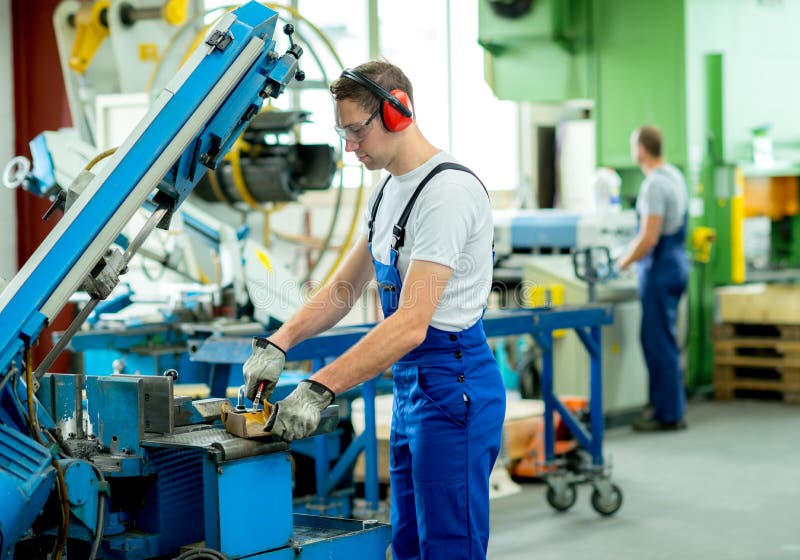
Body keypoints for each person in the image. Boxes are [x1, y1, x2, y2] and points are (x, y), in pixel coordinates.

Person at [242, 60, 506, 559]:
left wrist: (319, 387)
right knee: (408, 542)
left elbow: (409, 325)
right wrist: (279, 341)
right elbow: (345, 286)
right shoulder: (386, 187)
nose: (349, 146)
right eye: (341, 133)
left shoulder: (446, 193)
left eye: (357, 131)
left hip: (454, 387)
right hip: (412, 389)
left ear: (399, 111)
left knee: (449, 546)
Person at [616, 125, 689, 432]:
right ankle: (669, 407)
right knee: (665, 339)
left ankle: (667, 414)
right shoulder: (674, 175)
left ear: (642, 149)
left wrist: (622, 262)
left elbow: (649, 237)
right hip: (676, 263)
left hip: (660, 269)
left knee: (657, 342)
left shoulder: (654, 186)